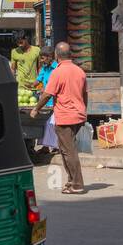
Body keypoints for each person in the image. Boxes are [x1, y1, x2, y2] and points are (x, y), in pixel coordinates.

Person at [30, 41, 88, 194]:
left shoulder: (58, 72)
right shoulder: (79, 71)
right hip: (78, 115)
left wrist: (36, 109)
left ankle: (77, 184)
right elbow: (85, 94)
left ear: (56, 55)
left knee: (69, 151)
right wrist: (84, 111)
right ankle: (71, 182)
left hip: (65, 117)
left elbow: (47, 94)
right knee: (65, 150)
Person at [34, 48, 58, 151]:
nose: (41, 60)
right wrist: (30, 85)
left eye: (43, 58)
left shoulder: (57, 68)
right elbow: (38, 80)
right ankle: (45, 146)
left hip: (55, 100)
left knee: (53, 125)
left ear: (49, 57)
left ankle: (57, 146)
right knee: (45, 123)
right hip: (45, 101)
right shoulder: (44, 68)